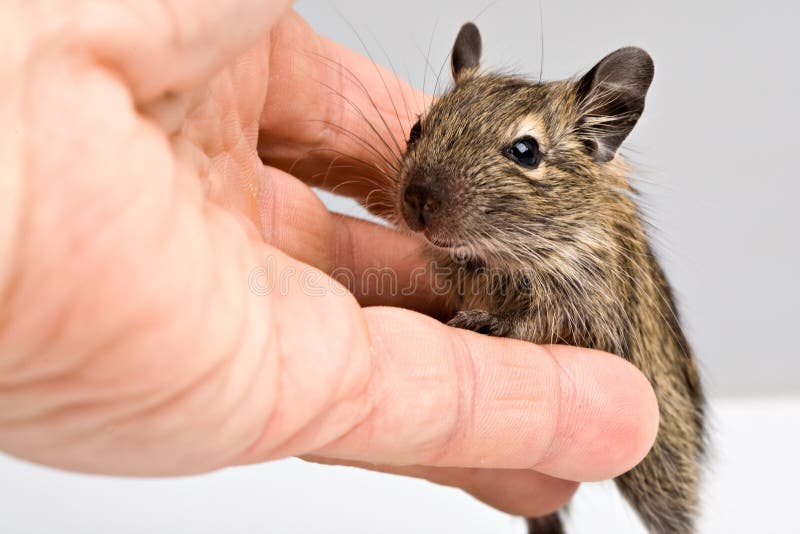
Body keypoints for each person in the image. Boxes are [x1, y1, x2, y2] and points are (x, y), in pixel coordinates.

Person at [0, 0, 658, 520]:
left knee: (649, 479)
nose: (422, 192)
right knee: (536, 490)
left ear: (603, 134)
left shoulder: (587, 250)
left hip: (622, 389)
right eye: (421, 133)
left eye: (520, 154)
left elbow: (585, 317)